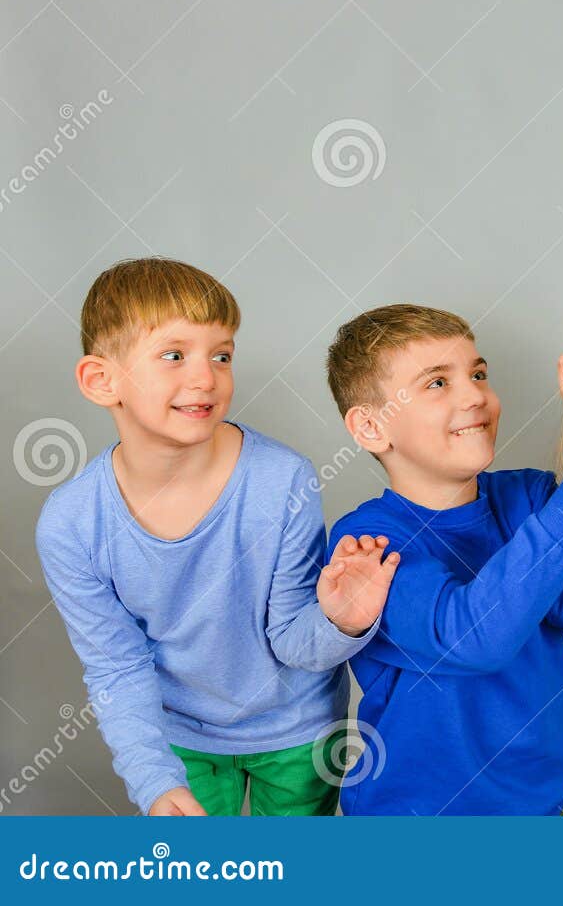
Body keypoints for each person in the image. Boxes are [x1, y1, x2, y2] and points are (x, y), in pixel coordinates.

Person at [36, 257, 397, 816]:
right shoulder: (71, 524)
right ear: (101, 380)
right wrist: (155, 780)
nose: (206, 377)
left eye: (222, 355)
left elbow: (295, 642)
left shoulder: (284, 480)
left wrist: (343, 620)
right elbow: (116, 666)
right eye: (174, 355)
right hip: (179, 740)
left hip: (298, 730)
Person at [323, 303, 563, 814]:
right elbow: (473, 637)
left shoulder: (530, 497)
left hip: (546, 806)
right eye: (437, 382)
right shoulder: (367, 542)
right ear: (370, 428)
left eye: (478, 374)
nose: (475, 394)